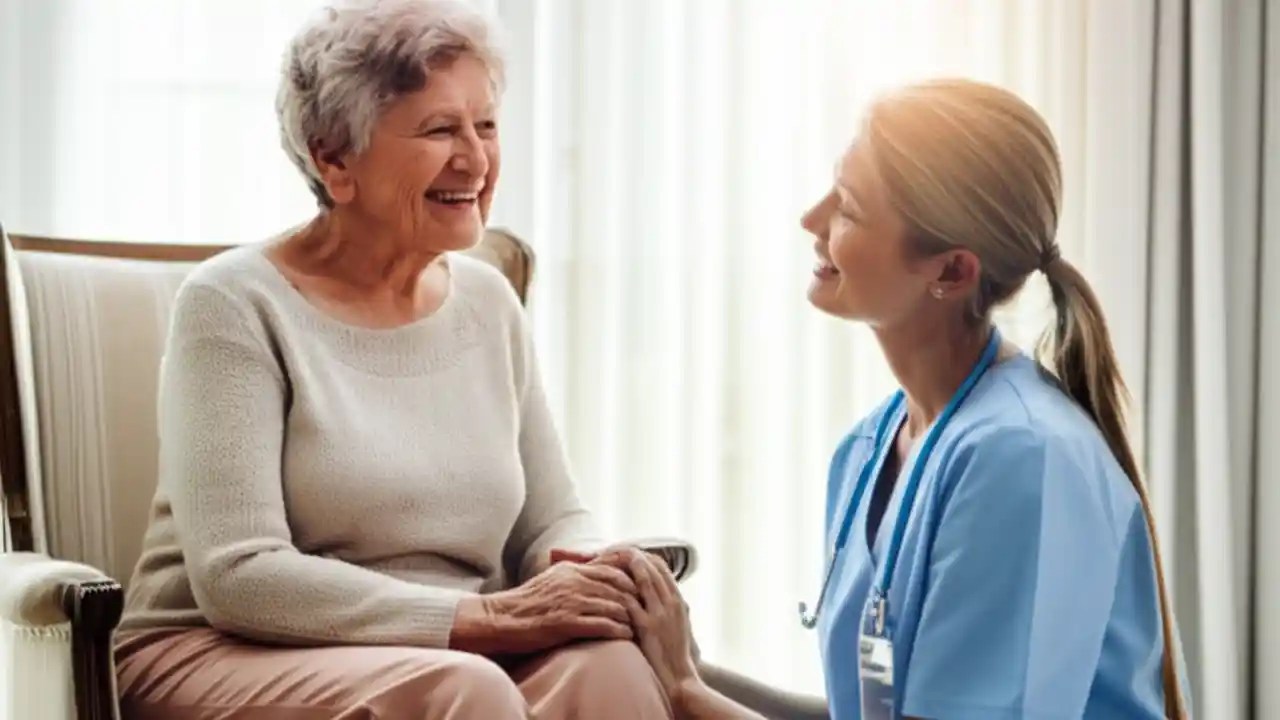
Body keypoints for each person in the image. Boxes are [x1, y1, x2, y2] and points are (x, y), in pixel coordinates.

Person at [113, 1, 673, 717]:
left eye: (487, 124)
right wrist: (490, 621)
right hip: (224, 649)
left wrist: (594, 574)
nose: (475, 158)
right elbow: (239, 576)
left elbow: (550, 521)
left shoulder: (487, 301)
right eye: (441, 129)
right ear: (333, 157)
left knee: (609, 669)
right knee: (460, 691)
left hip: (453, 650)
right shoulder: (233, 304)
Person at [626, 79, 1190, 719]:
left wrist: (684, 692)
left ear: (951, 271)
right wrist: (681, 664)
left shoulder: (1023, 459)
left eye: (849, 209)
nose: (811, 220)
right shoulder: (870, 447)